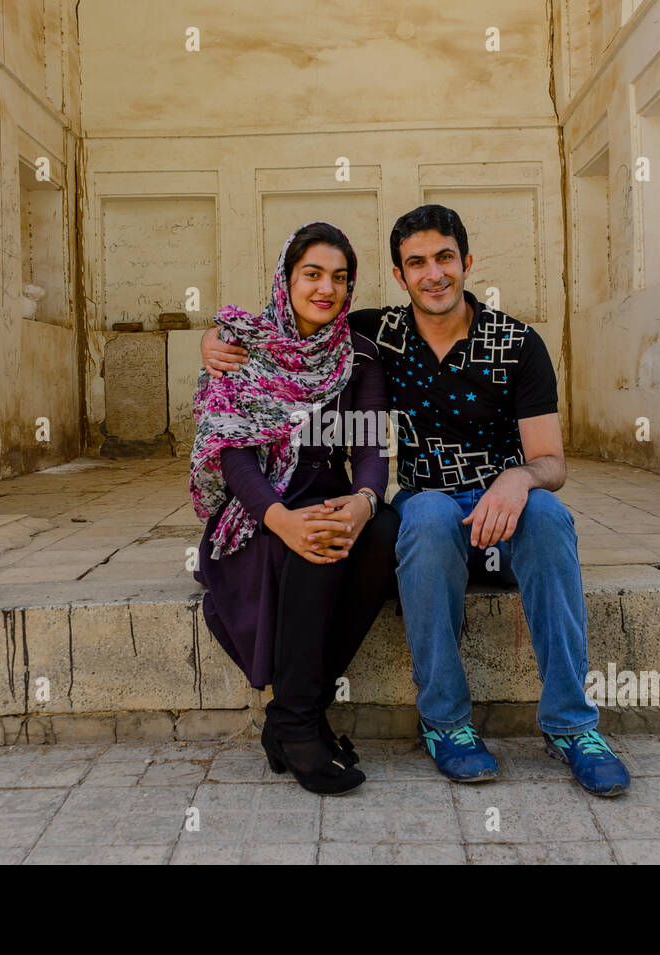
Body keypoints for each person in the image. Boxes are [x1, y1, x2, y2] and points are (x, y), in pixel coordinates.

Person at [201, 206, 631, 797]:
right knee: (420, 514)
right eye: (417, 263)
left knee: (551, 519)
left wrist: (519, 480)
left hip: (504, 508)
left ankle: (573, 726)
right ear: (400, 277)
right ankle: (446, 724)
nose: (434, 275)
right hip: (424, 506)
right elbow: (267, 356)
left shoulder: (515, 344)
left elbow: (550, 460)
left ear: (467, 263)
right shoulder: (377, 335)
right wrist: (217, 339)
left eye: (445, 259)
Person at [190, 221, 398, 796]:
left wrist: (363, 502)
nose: (325, 288)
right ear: (286, 279)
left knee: (383, 533)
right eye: (312, 274)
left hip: (330, 497)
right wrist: (281, 518)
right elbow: (232, 455)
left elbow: (371, 447)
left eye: (339, 277)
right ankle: (303, 726)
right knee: (311, 544)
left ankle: (290, 715)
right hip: (259, 511)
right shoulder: (243, 348)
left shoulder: (358, 356)